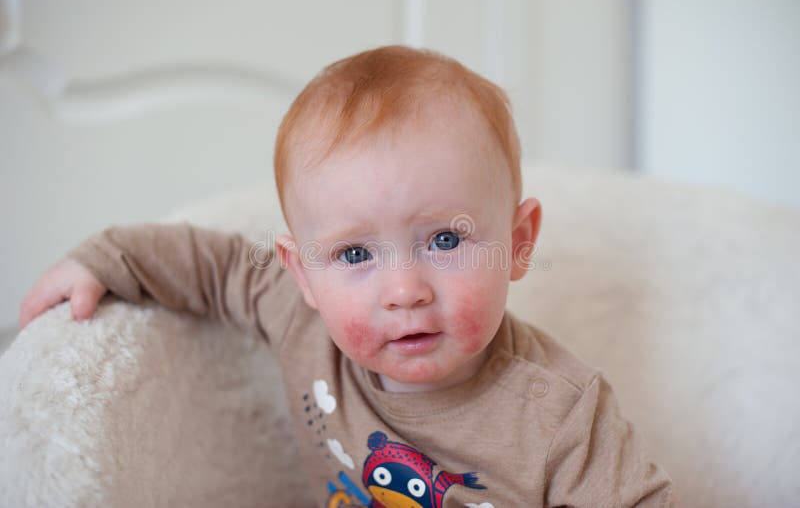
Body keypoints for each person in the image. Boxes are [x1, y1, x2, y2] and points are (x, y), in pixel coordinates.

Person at [18, 45, 675, 507]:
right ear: (301, 273)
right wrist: (106, 259)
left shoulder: (557, 411)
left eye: (445, 239)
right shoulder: (297, 314)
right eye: (356, 254)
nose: (404, 290)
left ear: (519, 242)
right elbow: (211, 263)